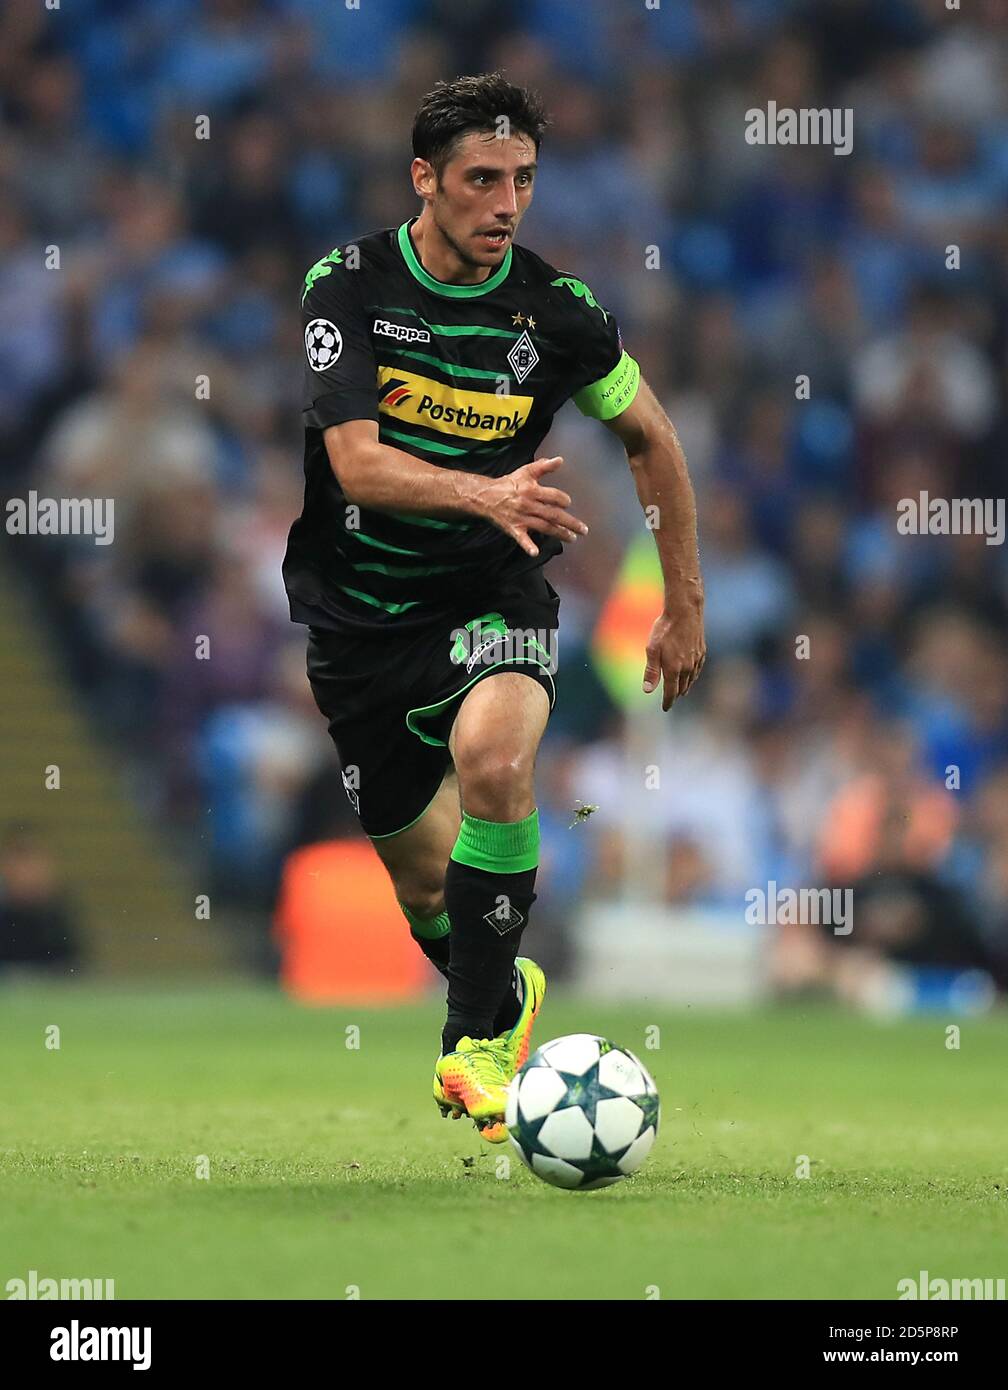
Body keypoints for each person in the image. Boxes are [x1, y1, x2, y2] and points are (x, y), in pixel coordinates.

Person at [282, 72, 705, 1140]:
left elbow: (652, 437)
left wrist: (683, 604)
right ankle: (501, 992)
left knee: (500, 765)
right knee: (427, 890)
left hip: (493, 591)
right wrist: (486, 488)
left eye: (522, 178)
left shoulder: (558, 313)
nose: (506, 202)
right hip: (360, 618)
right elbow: (360, 464)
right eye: (481, 179)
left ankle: (472, 1039)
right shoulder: (347, 286)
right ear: (424, 179)